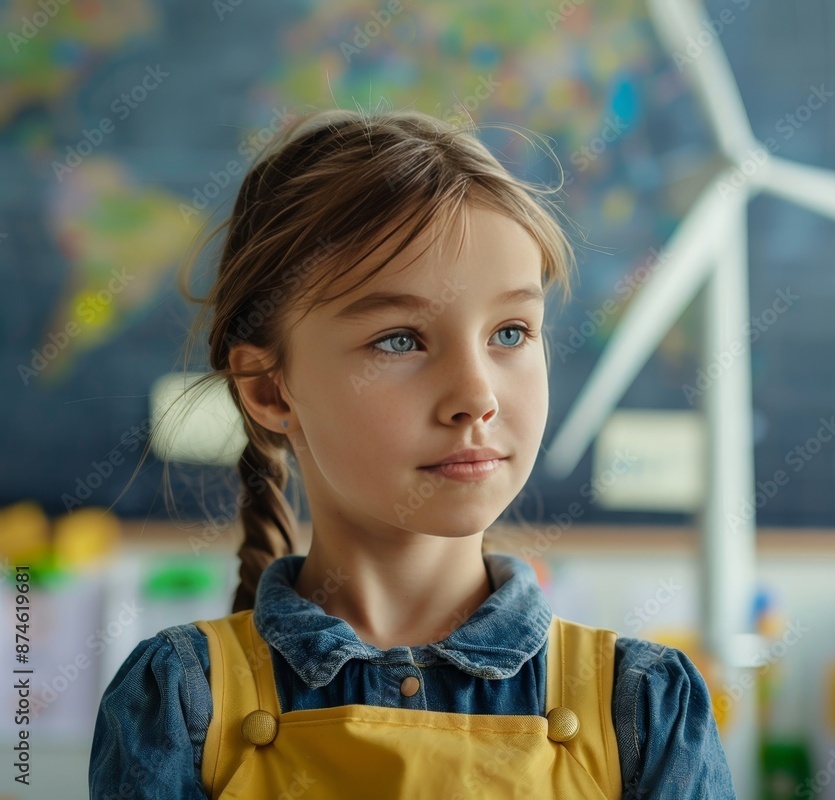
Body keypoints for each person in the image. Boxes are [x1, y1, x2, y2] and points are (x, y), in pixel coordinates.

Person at [88, 109, 737, 799]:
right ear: (270, 389)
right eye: (400, 340)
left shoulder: (643, 708)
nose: (476, 397)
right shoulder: (179, 702)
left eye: (511, 332)